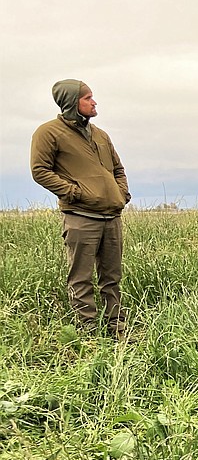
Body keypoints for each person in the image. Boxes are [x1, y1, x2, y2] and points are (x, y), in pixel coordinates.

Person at [30, 79, 132, 337]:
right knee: (81, 278)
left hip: (112, 217)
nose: (94, 102)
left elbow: (118, 169)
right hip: (80, 217)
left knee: (112, 278)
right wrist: (73, 193)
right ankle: (88, 333)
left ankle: (116, 329)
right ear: (71, 102)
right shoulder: (48, 132)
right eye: (87, 98)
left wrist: (122, 193)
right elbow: (40, 171)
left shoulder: (100, 134)